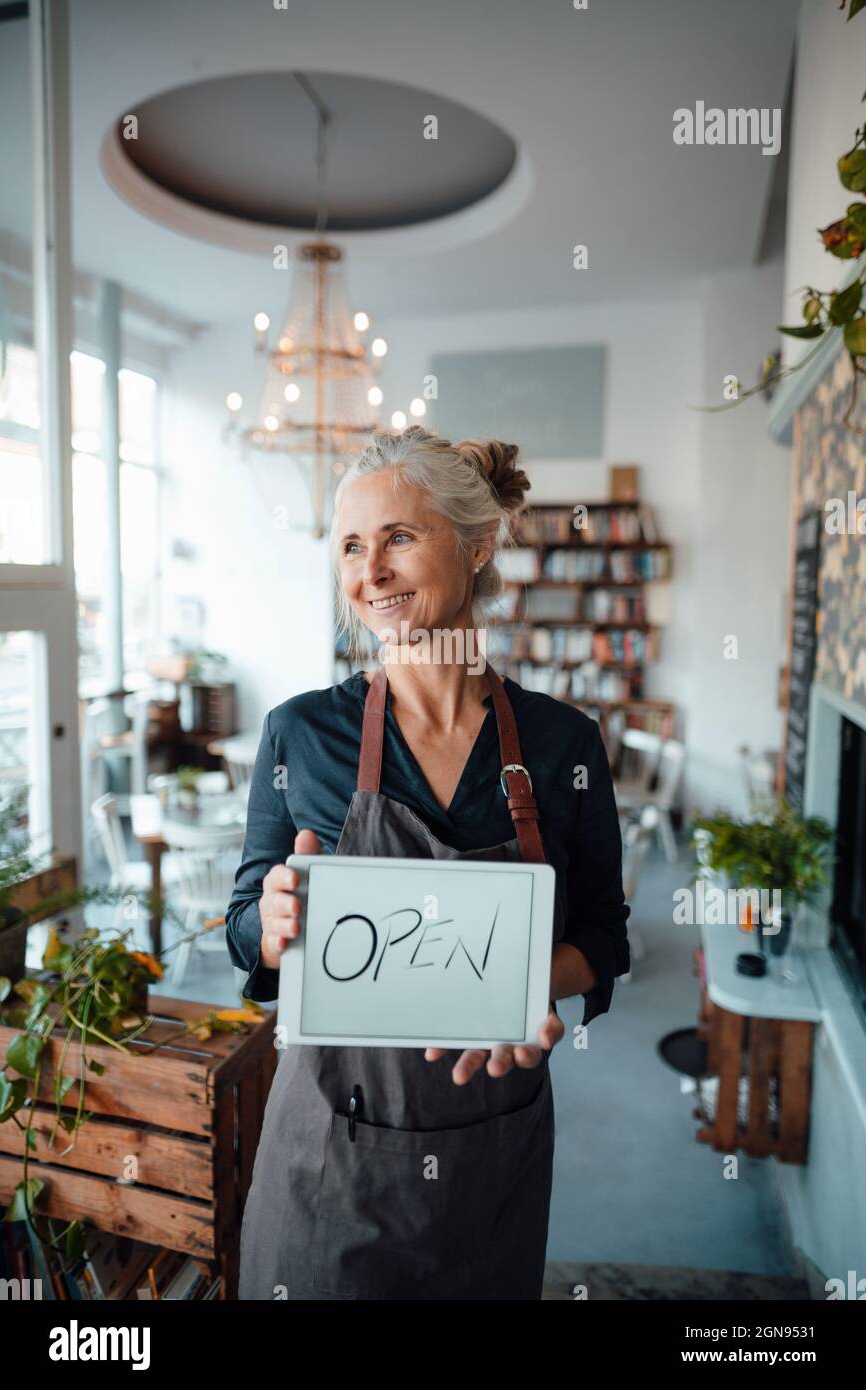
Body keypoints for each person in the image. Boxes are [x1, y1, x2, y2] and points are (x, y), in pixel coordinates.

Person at [226, 425, 630, 1300]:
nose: (370, 571)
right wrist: (275, 920)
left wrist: (525, 983)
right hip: (329, 1160)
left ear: (478, 545)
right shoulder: (300, 735)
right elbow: (242, 927)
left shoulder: (564, 743)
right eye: (350, 546)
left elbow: (606, 934)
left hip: (494, 1150)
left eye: (400, 537)